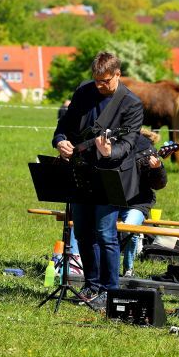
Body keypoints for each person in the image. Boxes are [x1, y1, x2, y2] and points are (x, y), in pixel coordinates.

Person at [52, 52, 143, 308]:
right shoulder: (84, 92)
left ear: (117, 74)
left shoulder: (131, 103)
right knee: (82, 231)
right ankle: (91, 285)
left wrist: (109, 152)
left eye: (105, 81)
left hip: (111, 175)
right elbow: (63, 126)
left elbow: (128, 143)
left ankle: (110, 289)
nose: (100, 85)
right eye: (96, 80)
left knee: (105, 233)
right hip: (81, 171)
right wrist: (61, 142)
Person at [119, 128, 168, 277]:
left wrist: (157, 169)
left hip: (137, 202)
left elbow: (160, 184)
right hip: (111, 199)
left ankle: (128, 269)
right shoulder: (111, 142)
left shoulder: (146, 149)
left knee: (130, 229)